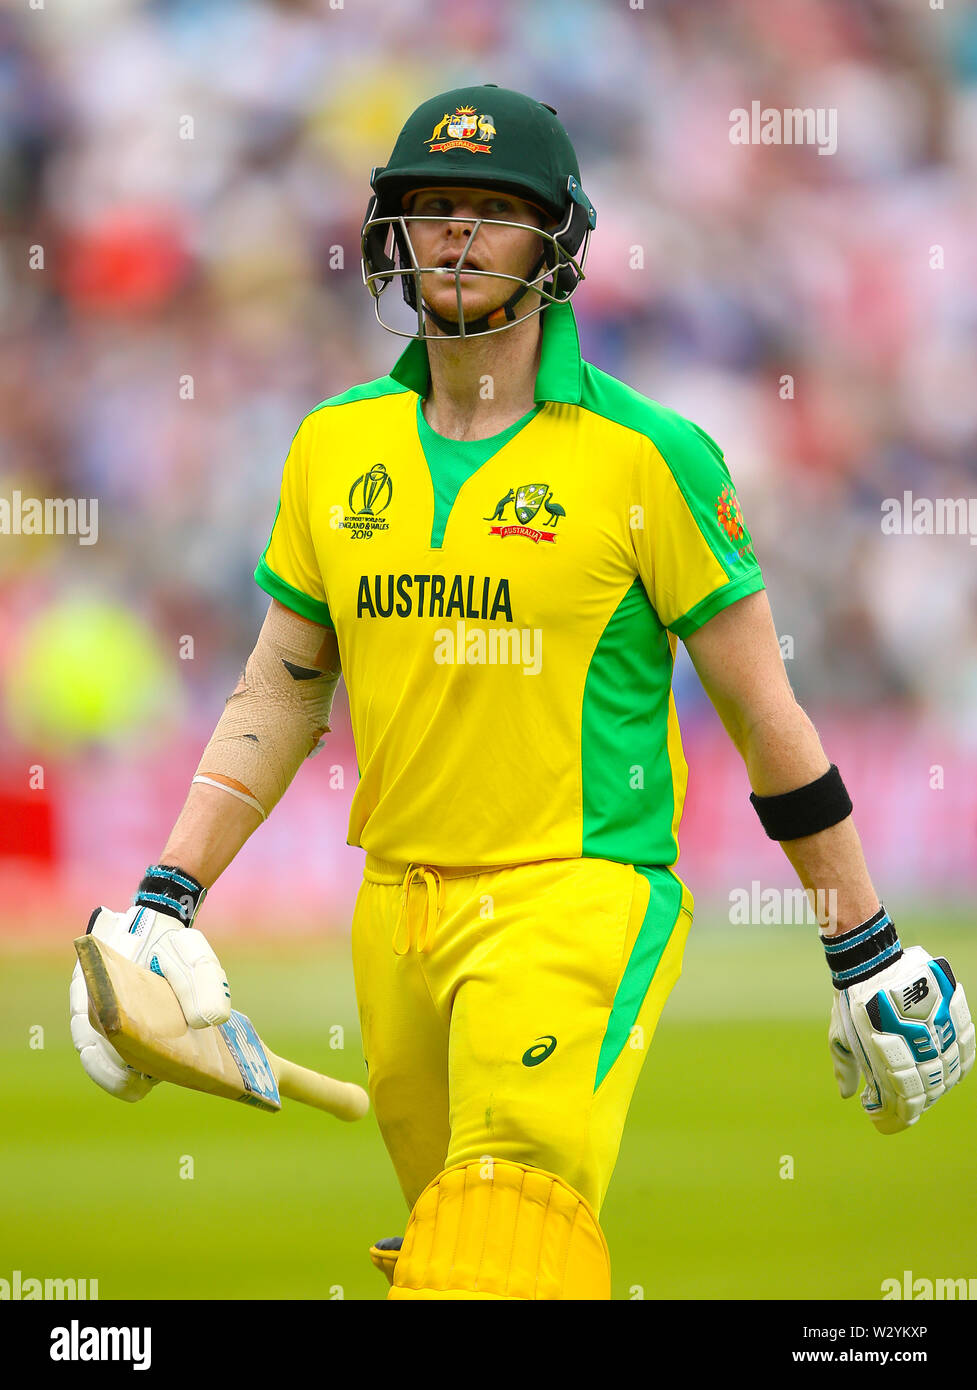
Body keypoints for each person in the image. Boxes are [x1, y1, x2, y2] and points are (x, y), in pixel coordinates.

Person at [71, 84, 974, 1301]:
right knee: (457, 1251)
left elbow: (768, 719)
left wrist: (858, 943)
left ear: (557, 242)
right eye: (429, 208)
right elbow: (280, 690)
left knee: (499, 1251)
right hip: (392, 908)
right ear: (389, 234)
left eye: (491, 212)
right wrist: (163, 901)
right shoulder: (334, 445)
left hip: (575, 896)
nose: (454, 235)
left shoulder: (649, 456)